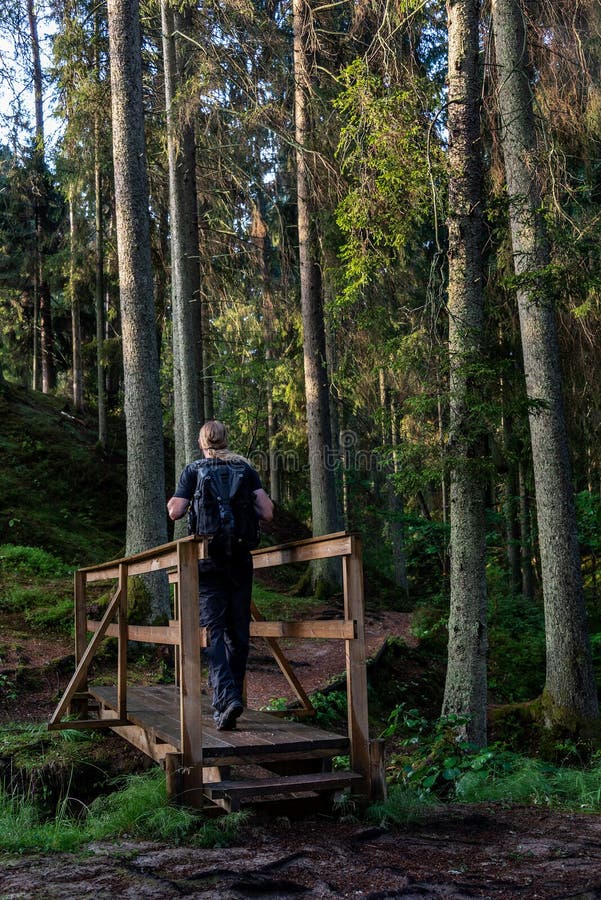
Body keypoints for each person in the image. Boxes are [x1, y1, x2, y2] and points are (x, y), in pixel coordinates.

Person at [167, 421, 274, 731]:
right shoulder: (246, 469)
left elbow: (176, 511)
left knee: (212, 631)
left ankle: (226, 700)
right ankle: (232, 699)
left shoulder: (194, 470)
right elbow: (267, 512)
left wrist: (178, 502)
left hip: (208, 561)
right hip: (240, 560)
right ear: (227, 440)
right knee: (238, 633)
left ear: (202, 443)